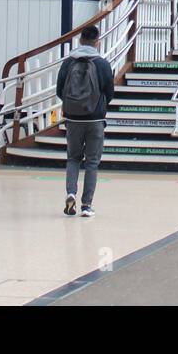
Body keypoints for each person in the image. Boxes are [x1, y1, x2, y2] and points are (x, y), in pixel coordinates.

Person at [56, 24, 115, 217]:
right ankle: (86, 206)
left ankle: (71, 192)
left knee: (73, 158)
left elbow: (59, 91)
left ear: (80, 40)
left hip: (73, 120)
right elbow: (110, 93)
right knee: (91, 162)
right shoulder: (102, 64)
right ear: (97, 42)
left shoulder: (68, 63)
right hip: (95, 120)